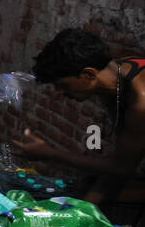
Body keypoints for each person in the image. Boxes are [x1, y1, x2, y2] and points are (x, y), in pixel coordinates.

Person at [13, 27, 145, 206]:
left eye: (63, 85)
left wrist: (49, 153)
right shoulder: (115, 77)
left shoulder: (140, 100)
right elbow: (120, 161)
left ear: (89, 74)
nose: (59, 93)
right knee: (90, 188)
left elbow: (121, 168)